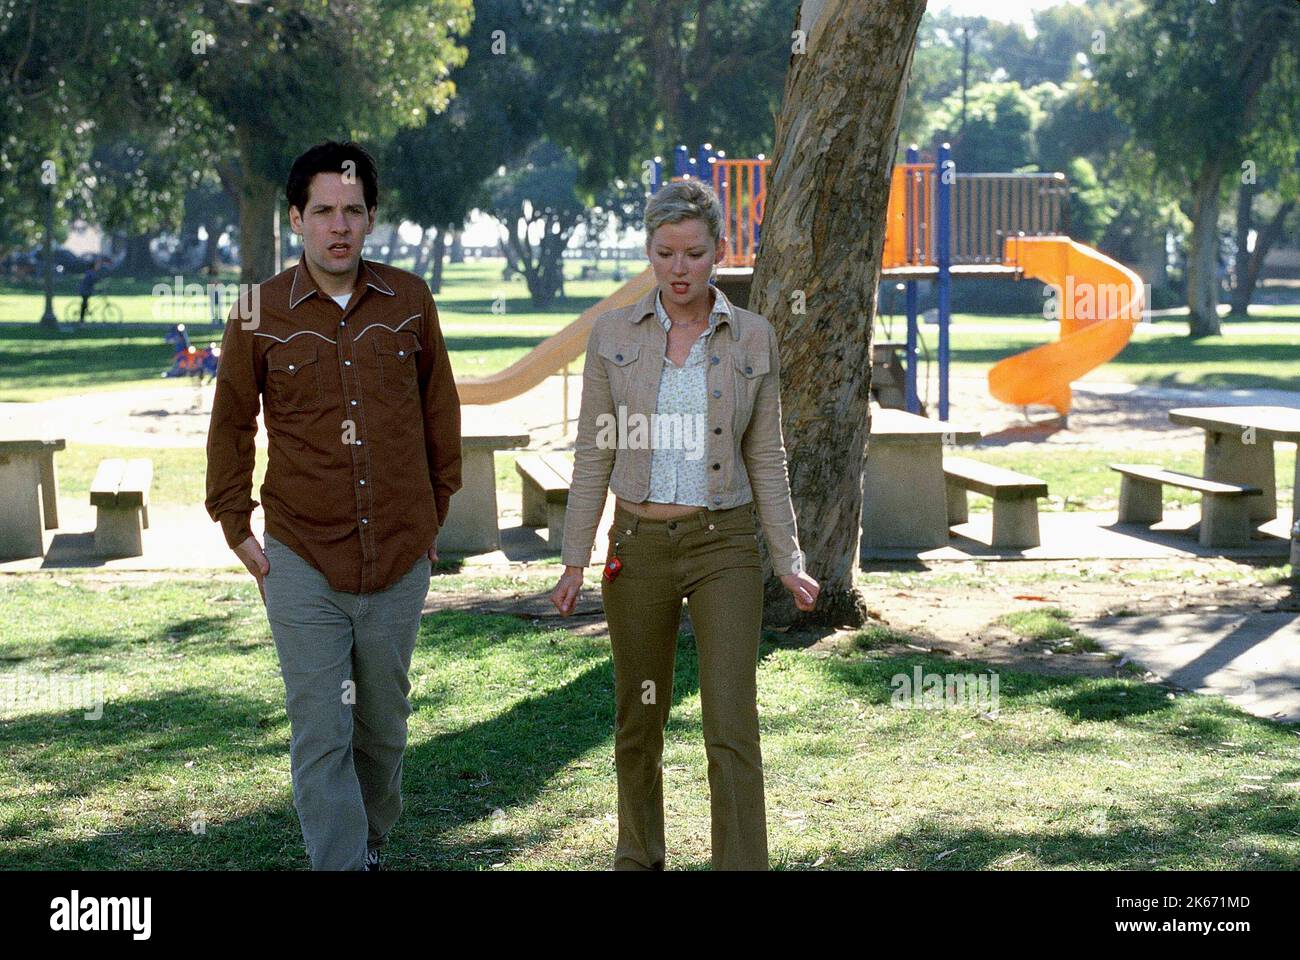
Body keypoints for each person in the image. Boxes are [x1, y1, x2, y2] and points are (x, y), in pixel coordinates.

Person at [205, 141, 462, 871]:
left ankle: (370, 845)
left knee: (381, 730)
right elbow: (231, 423)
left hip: (398, 555)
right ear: (297, 219)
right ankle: (342, 865)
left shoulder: (410, 301)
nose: (338, 226)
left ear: (372, 219)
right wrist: (235, 523)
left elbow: (440, 411)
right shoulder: (257, 312)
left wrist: (434, 513)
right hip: (300, 557)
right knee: (321, 726)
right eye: (323, 211)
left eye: (353, 211)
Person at [550, 179, 820, 870]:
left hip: (722, 546)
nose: (678, 269)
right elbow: (593, 451)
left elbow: (765, 454)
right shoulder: (612, 334)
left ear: (718, 253)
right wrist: (574, 558)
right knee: (639, 719)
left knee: (730, 722)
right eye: (664, 253)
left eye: (694, 254)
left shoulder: (752, 336)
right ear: (649, 252)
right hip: (635, 550)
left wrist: (788, 558)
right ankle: (638, 857)